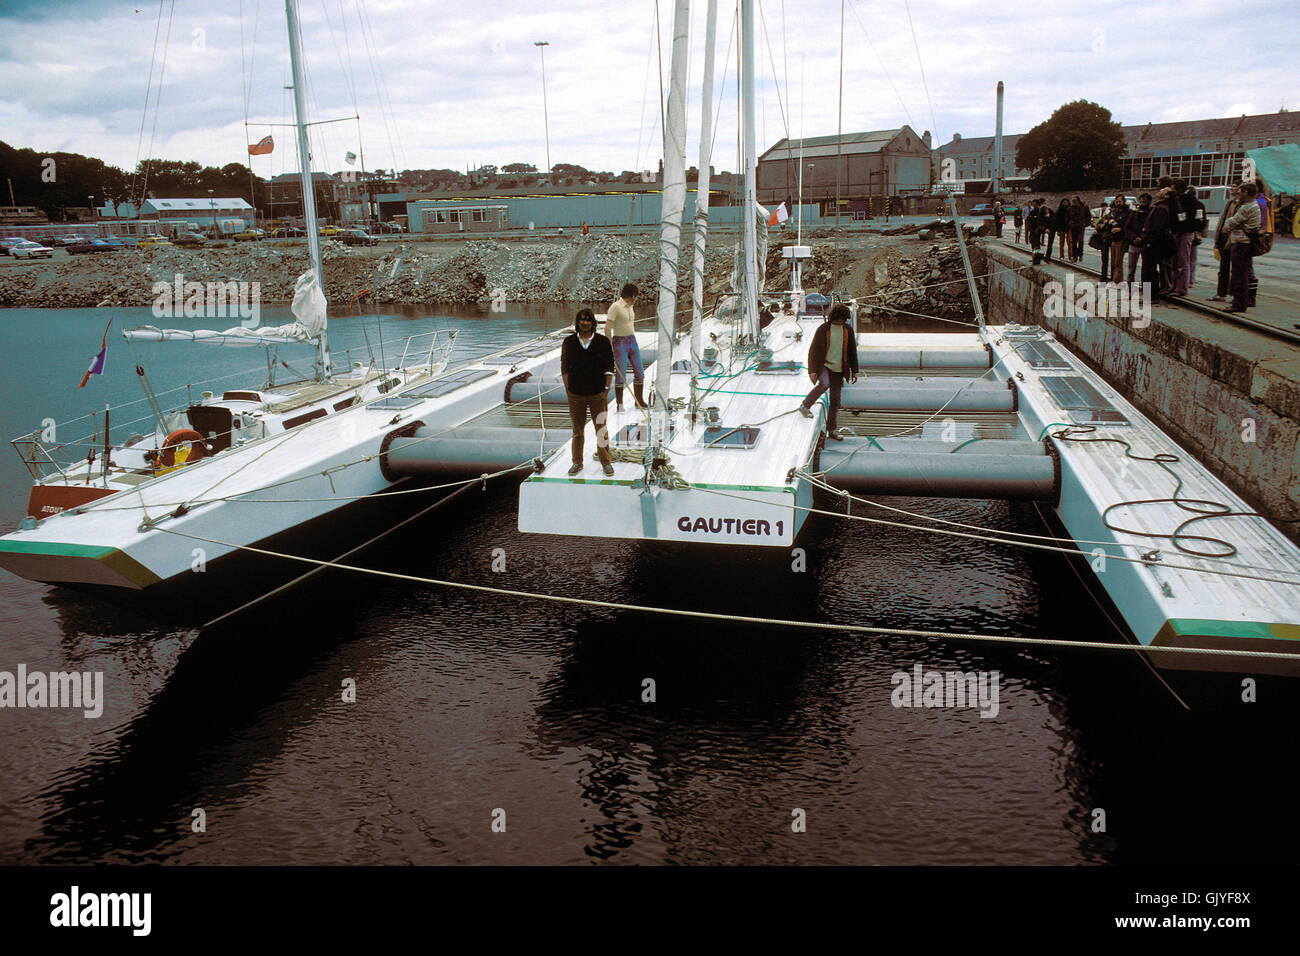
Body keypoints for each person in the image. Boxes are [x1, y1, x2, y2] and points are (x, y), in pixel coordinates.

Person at [560, 308, 615, 476]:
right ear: (577, 322)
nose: (584, 322)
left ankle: (605, 461)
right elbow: (565, 368)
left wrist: (605, 389)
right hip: (576, 395)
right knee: (577, 431)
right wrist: (568, 390)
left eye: (588, 320)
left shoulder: (603, 342)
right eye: (581, 320)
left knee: (601, 429)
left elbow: (609, 367)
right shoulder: (569, 342)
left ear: (593, 323)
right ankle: (577, 462)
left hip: (598, 393)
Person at [797, 304, 859, 440]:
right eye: (842, 319)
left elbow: (852, 351)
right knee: (824, 384)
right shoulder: (823, 329)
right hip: (824, 366)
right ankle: (805, 405)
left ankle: (832, 430)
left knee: (835, 401)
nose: (843, 322)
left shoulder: (848, 330)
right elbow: (813, 351)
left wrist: (855, 371)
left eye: (845, 320)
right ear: (835, 317)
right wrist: (812, 370)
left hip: (839, 369)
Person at [1221, 182, 1261, 313]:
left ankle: (1238, 304)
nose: (1238, 194)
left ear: (1245, 193)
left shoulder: (1247, 208)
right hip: (1245, 243)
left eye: (1240, 192)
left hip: (1241, 244)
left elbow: (1229, 223)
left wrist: (1229, 223)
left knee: (1239, 275)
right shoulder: (1254, 205)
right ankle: (1242, 302)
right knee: (1244, 273)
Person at [606, 282, 646, 410]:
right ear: (632, 295)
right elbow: (608, 327)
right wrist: (609, 345)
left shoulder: (630, 306)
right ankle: (619, 404)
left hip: (632, 341)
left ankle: (638, 400)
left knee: (640, 372)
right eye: (636, 296)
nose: (636, 299)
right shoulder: (615, 307)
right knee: (620, 375)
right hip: (619, 342)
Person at [1138, 186, 1178, 300]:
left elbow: (1158, 228)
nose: (1160, 190)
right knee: (1150, 270)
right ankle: (1150, 295)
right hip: (1154, 242)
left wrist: (1149, 241)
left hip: (1152, 244)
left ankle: (1149, 296)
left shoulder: (1161, 208)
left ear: (1166, 195)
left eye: (1163, 190)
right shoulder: (1161, 207)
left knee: (1148, 271)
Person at [1171, 179, 1207, 295]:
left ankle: (1181, 288)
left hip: (1185, 232)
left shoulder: (1187, 200)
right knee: (1181, 260)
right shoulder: (1182, 200)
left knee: (1183, 260)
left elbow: (1190, 217)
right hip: (1183, 231)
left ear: (1179, 189)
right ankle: (1177, 285)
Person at [1208, 185, 1241, 302]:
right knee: (1223, 267)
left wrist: (1230, 238)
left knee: (1236, 269)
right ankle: (1221, 292)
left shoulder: (1240, 205)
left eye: (1236, 188)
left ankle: (1234, 294)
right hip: (1224, 237)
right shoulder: (1230, 203)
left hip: (1233, 239)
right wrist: (1217, 239)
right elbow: (1223, 221)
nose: (1232, 190)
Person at [1123, 193, 1152, 283]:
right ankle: (1131, 291)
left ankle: (1146, 293)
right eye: (1141, 201)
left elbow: (1152, 228)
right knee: (1131, 269)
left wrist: (1142, 238)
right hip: (1134, 243)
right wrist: (1134, 237)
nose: (1142, 203)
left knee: (1147, 270)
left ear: (1149, 202)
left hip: (1145, 244)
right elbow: (1127, 227)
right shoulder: (1134, 213)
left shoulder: (1152, 213)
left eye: (1144, 201)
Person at [1105, 197, 1129, 283]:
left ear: (1124, 202)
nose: (1118, 203)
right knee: (1113, 261)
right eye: (1117, 201)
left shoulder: (1127, 212)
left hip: (1121, 239)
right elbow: (1113, 223)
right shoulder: (1114, 212)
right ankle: (1114, 279)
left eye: (1120, 201)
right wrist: (1111, 222)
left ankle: (1117, 281)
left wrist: (1120, 229)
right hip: (1113, 238)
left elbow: (1128, 225)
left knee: (1118, 262)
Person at [1069, 196, 1089, 262]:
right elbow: (1067, 217)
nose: (1073, 202)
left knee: (1080, 241)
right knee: (1074, 242)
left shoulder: (1084, 207)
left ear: (1078, 201)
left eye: (1075, 200)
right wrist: (1069, 223)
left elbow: (1088, 216)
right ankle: (1075, 257)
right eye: (1072, 201)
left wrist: (1085, 223)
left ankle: (1080, 255)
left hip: (1081, 226)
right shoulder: (1070, 208)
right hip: (1073, 226)